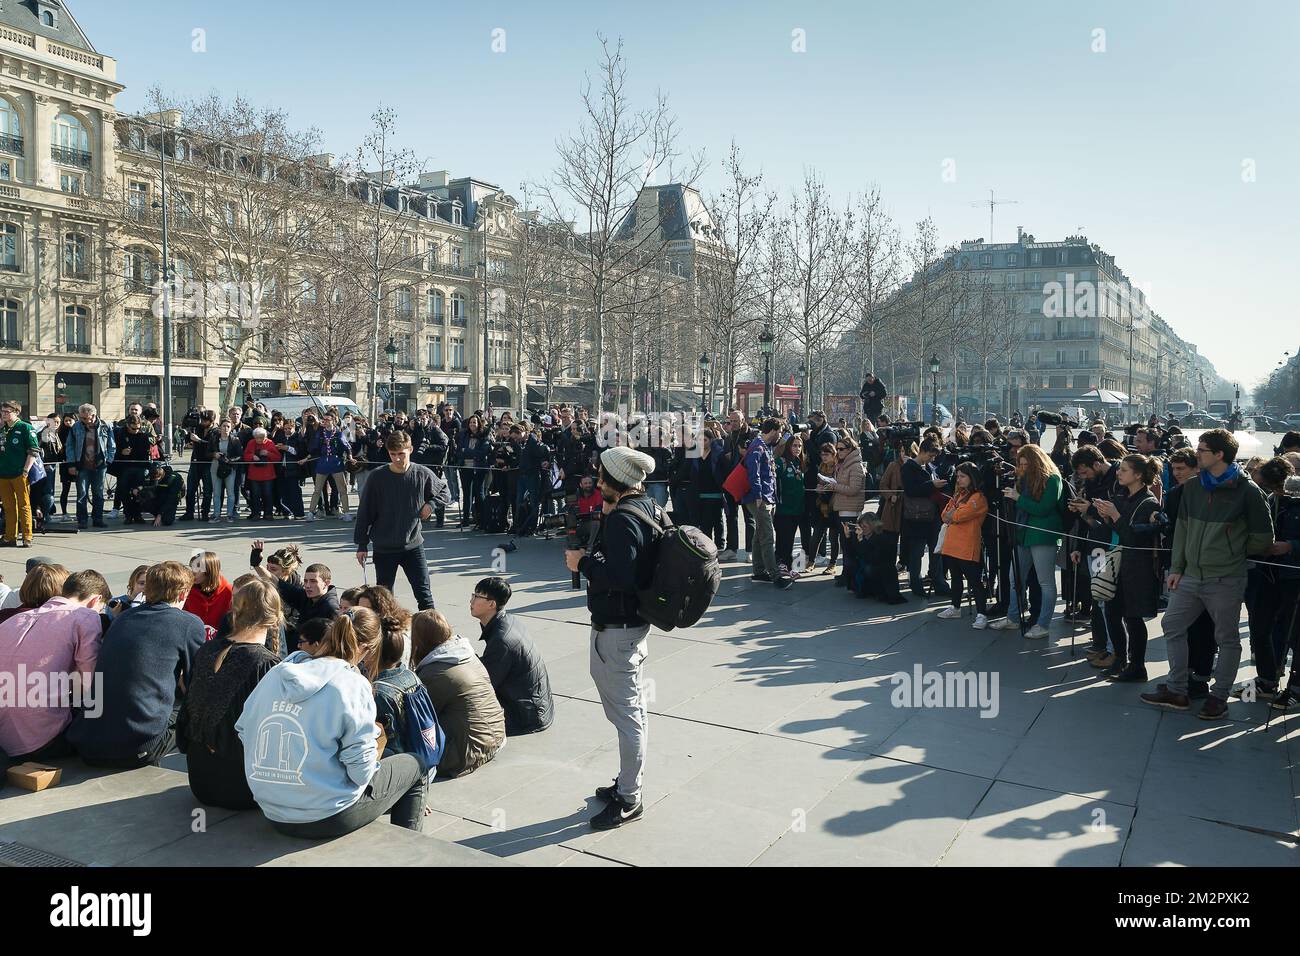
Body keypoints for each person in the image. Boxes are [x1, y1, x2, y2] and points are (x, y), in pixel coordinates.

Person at [237, 607, 425, 837]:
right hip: (326, 815)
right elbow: (361, 773)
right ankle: (407, 851)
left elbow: (244, 729)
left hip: (271, 808)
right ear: (367, 648)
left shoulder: (278, 673)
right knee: (415, 764)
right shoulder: (352, 685)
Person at [1142, 429, 1273, 719]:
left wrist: (1231, 550)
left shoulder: (1248, 491)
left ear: (1219, 454)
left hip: (1226, 577)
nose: (1196, 453)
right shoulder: (1192, 487)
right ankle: (1177, 690)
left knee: (1226, 638)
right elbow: (1183, 532)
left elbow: (1263, 538)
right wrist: (1177, 567)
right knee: (1173, 625)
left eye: (1201, 450)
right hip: (1190, 576)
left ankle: (1218, 697)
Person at [565, 446, 660, 830]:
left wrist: (582, 563)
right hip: (628, 628)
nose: (596, 482)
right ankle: (628, 782)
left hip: (619, 632)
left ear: (615, 482)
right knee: (630, 712)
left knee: (628, 718)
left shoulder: (624, 520)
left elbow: (622, 578)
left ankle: (629, 798)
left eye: (601, 478)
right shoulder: (645, 508)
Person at [68, 561, 207, 767]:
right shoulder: (188, 623)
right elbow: (197, 683)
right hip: (137, 747)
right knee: (186, 713)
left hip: (89, 742)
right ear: (182, 594)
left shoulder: (123, 618)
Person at [177, 578, 282, 809]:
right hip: (242, 789)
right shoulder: (266, 664)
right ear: (275, 618)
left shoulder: (208, 649)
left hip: (200, 782)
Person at [0, 570, 108, 762]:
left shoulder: (14, 620)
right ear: (95, 600)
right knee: (98, 711)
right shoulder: (85, 617)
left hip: (4, 739)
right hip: (40, 739)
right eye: (101, 609)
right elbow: (89, 682)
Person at [1089, 454, 1163, 681]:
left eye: (1123, 470)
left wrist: (1114, 515)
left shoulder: (1148, 502)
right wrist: (1097, 514)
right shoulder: (1122, 495)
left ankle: (1137, 666)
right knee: (1111, 613)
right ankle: (1119, 660)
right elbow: (1113, 529)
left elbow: (1134, 537)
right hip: (1117, 563)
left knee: (1133, 617)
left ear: (1138, 475)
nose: (1118, 473)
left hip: (1135, 568)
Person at [354, 430, 443, 611]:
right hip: (384, 547)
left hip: (413, 545)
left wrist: (431, 505)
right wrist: (362, 544)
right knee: (384, 601)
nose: (397, 459)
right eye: (393, 454)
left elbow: (444, 491)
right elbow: (365, 512)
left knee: (424, 595)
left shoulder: (422, 473)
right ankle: (388, 636)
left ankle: (433, 634)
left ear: (410, 449)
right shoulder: (377, 477)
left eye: (401, 454)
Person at [410, 609, 505, 778]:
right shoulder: (466, 654)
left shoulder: (435, 672)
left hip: (466, 754)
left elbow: (420, 719)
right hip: (496, 736)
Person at [1237, 457, 1299, 703]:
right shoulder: (1268, 500)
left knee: (1295, 635)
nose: (1280, 490)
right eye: (1273, 485)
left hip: (1294, 576)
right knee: (1260, 628)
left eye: (1282, 484)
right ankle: (1267, 679)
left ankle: (1295, 689)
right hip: (1267, 574)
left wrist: (1290, 546)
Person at [991, 444, 1065, 638]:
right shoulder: (1023, 480)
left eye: (1026, 464)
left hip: (1043, 534)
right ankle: (1013, 617)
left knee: (1045, 582)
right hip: (1024, 534)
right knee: (1014, 577)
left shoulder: (1053, 479)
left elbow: (1044, 509)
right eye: (1020, 464)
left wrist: (1018, 498)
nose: (1022, 468)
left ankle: (1043, 624)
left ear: (1037, 462)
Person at [471, 576, 553, 735]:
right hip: (538, 707)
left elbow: (484, 686)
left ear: (491, 604)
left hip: (525, 717)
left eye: (477, 596)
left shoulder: (502, 641)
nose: (471, 600)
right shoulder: (508, 620)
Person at [370, 620, 431, 830]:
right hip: (423, 753)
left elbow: (385, 743)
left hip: (401, 763)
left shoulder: (379, 691)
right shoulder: (410, 674)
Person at [938, 462, 990, 627]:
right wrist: (954, 513)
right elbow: (944, 515)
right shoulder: (958, 495)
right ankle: (955, 606)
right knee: (955, 578)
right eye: (958, 476)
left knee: (974, 581)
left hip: (967, 545)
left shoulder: (978, 497)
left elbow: (960, 515)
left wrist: (954, 513)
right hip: (952, 544)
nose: (958, 479)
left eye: (962, 476)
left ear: (971, 478)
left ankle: (982, 613)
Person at [901, 437, 950, 598]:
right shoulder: (908, 467)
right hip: (917, 517)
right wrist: (932, 485)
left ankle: (939, 582)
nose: (932, 459)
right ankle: (916, 584)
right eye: (930, 455)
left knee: (936, 551)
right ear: (922, 451)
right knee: (917, 553)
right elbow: (911, 490)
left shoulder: (927, 466)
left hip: (932, 515)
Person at [741, 417, 783, 584]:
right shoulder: (757, 446)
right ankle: (775, 575)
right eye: (779, 431)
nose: (780, 435)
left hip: (766, 496)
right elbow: (754, 473)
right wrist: (758, 496)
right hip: (760, 498)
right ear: (773, 431)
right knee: (767, 536)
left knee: (759, 535)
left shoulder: (764, 445)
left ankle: (758, 571)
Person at [64, 403, 115, 529]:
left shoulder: (105, 426)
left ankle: (97, 519)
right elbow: (69, 446)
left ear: (94, 415)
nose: (84, 421)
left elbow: (111, 445)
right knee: (81, 494)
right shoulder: (76, 427)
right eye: (82, 418)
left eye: (87, 418)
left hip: (99, 465)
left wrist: (108, 460)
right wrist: (71, 464)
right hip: (82, 466)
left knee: (98, 493)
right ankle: (82, 520)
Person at [0, 400, 38, 548]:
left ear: (16, 412)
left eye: (7, 412)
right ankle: (10, 536)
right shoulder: (3, 429)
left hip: (19, 473)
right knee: (8, 507)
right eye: (2, 412)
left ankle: (27, 536)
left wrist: (25, 471)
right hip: (3, 474)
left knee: (24, 505)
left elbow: (33, 451)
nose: (3, 414)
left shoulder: (25, 428)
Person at [774, 433, 807, 582]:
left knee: (790, 539)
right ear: (788, 446)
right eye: (794, 445)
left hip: (797, 509)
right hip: (783, 509)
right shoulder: (781, 462)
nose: (797, 448)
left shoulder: (799, 463)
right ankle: (782, 565)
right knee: (783, 539)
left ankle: (786, 565)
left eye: (800, 446)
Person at [307, 412, 352, 521]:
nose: (325, 422)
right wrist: (306, 458)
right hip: (323, 462)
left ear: (334, 420)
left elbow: (347, 447)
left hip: (336, 462)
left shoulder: (338, 433)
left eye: (328, 420)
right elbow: (314, 448)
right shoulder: (320, 433)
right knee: (317, 490)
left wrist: (350, 457)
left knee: (342, 489)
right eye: (324, 419)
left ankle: (346, 513)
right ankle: (310, 513)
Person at [183, 551, 233, 638]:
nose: (193, 572)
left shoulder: (229, 591)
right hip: (193, 640)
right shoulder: (188, 591)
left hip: (220, 642)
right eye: (192, 568)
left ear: (210, 570)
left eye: (198, 568)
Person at [181, 409, 217, 522]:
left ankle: (205, 512)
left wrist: (199, 440)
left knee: (207, 490)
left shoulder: (215, 431)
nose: (203, 422)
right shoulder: (198, 427)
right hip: (195, 462)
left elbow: (213, 446)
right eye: (202, 419)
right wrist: (188, 433)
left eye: (206, 420)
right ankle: (189, 512)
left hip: (208, 463)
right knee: (191, 489)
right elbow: (187, 438)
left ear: (211, 421)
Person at [242, 426, 282, 521]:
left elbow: (277, 458)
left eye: (262, 437)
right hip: (254, 475)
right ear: (254, 437)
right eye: (258, 438)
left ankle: (268, 513)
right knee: (255, 495)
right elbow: (245, 456)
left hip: (268, 475)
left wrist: (268, 453)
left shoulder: (270, 443)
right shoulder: (251, 443)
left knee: (268, 494)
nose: (260, 440)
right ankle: (256, 513)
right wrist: (252, 456)